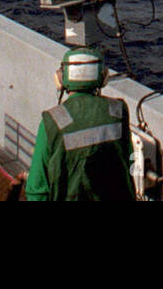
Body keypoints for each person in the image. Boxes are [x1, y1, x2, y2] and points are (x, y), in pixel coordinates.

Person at [24, 46, 135, 201]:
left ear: (61, 79)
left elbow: (36, 189)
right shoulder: (118, 111)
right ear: (103, 78)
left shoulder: (52, 121)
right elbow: (129, 163)